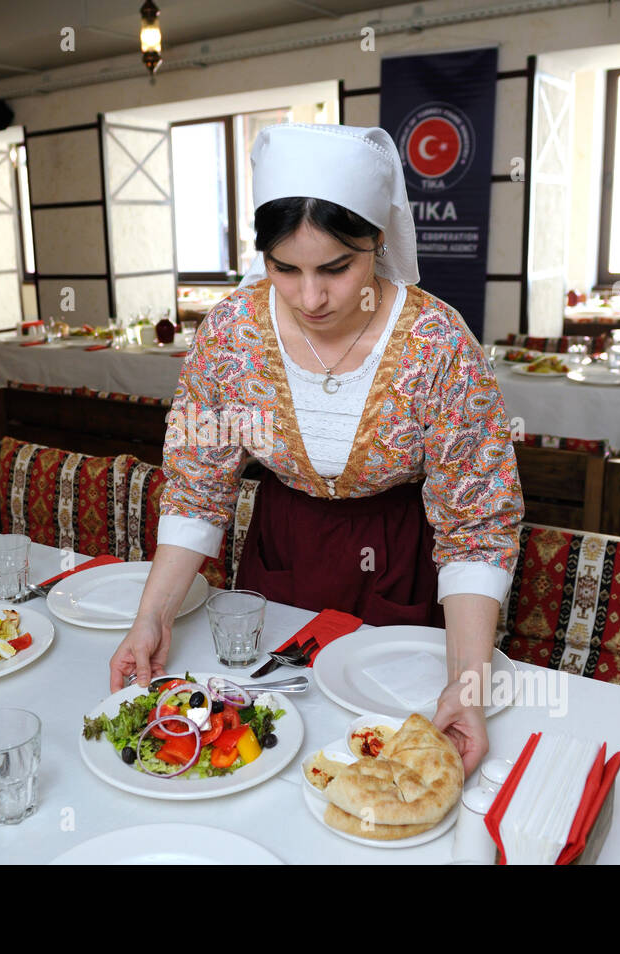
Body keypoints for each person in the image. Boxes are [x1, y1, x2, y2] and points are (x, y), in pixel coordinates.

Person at [107, 124, 524, 776]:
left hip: (398, 556)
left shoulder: (437, 343)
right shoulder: (231, 333)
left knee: (380, 757)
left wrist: (465, 688)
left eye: (336, 267)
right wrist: (152, 617)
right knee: (262, 741)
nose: (309, 298)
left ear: (377, 240)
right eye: (284, 268)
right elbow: (197, 486)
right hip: (281, 549)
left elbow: (477, 525)